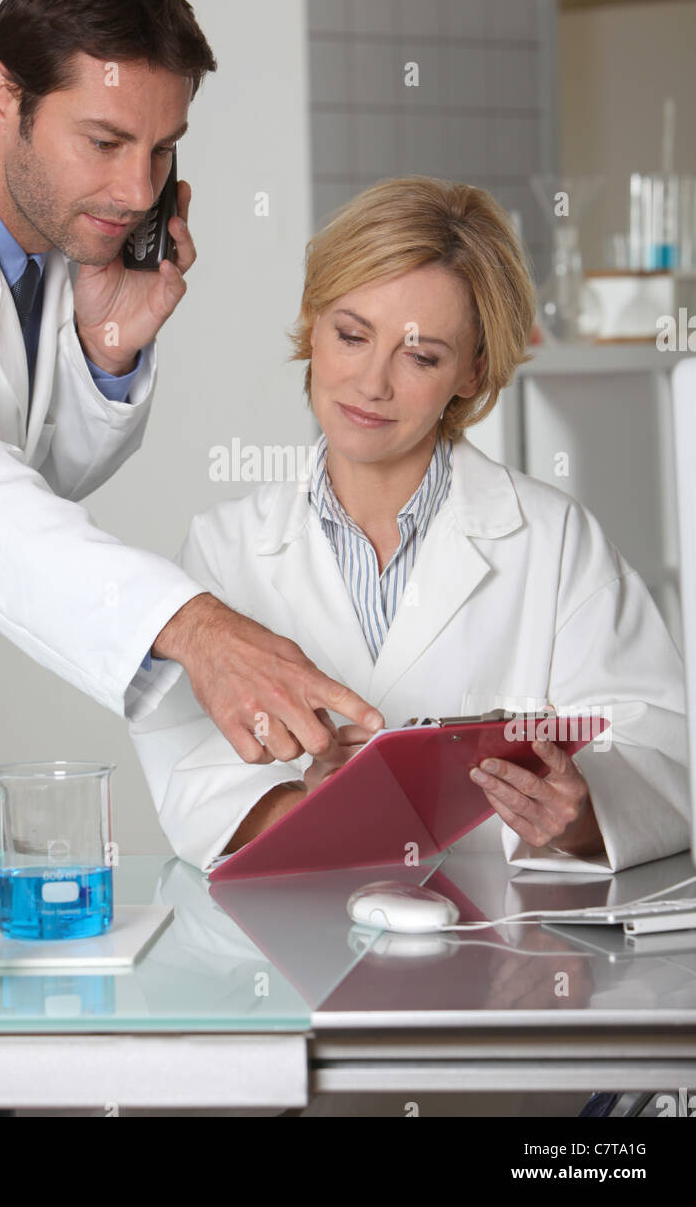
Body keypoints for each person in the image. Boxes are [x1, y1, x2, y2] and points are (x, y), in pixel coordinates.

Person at [0, 0, 383, 848]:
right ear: (6, 96)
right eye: (106, 141)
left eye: (163, 149)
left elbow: (24, 482)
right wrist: (193, 627)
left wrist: (102, 350)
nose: (137, 192)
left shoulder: (53, 243)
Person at [129, 176, 690, 873]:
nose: (373, 383)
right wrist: (317, 814)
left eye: (421, 355)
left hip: (514, 953)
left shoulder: (553, 541)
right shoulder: (225, 546)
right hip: (296, 945)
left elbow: (660, 748)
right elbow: (188, 762)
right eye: (352, 335)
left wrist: (579, 816)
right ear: (312, 324)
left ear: (473, 371)